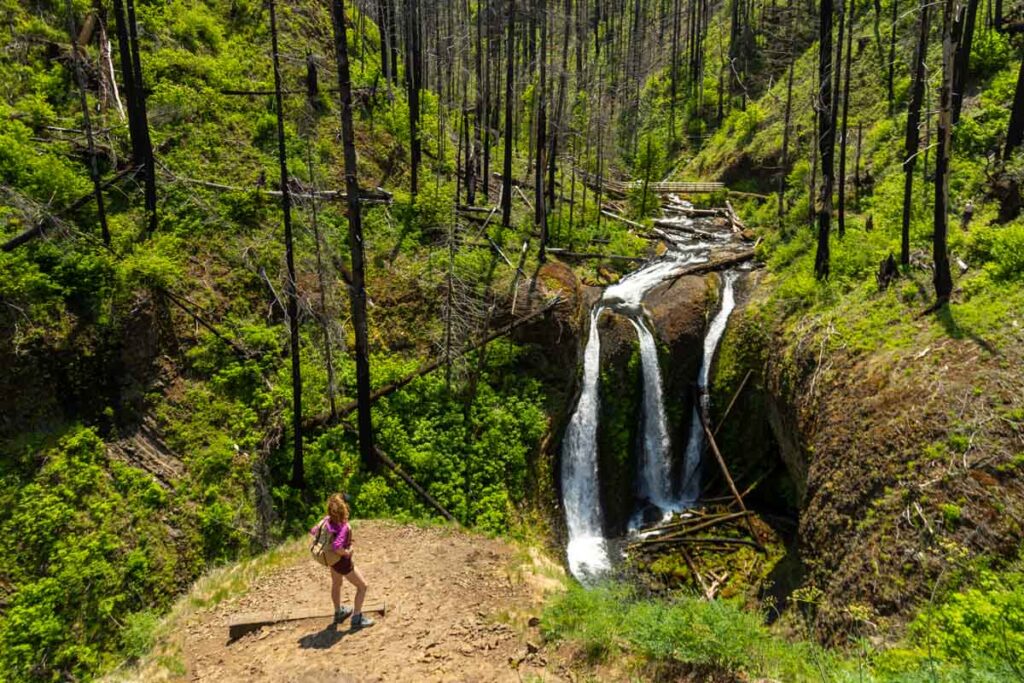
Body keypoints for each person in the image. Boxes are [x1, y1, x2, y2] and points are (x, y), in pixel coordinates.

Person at [311, 493, 374, 629]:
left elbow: (313, 531)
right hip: (341, 561)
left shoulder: (326, 520)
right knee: (363, 586)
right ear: (344, 508)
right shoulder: (343, 526)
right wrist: (348, 552)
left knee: (336, 583)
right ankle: (357, 618)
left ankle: (338, 612)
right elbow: (337, 547)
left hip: (331, 560)